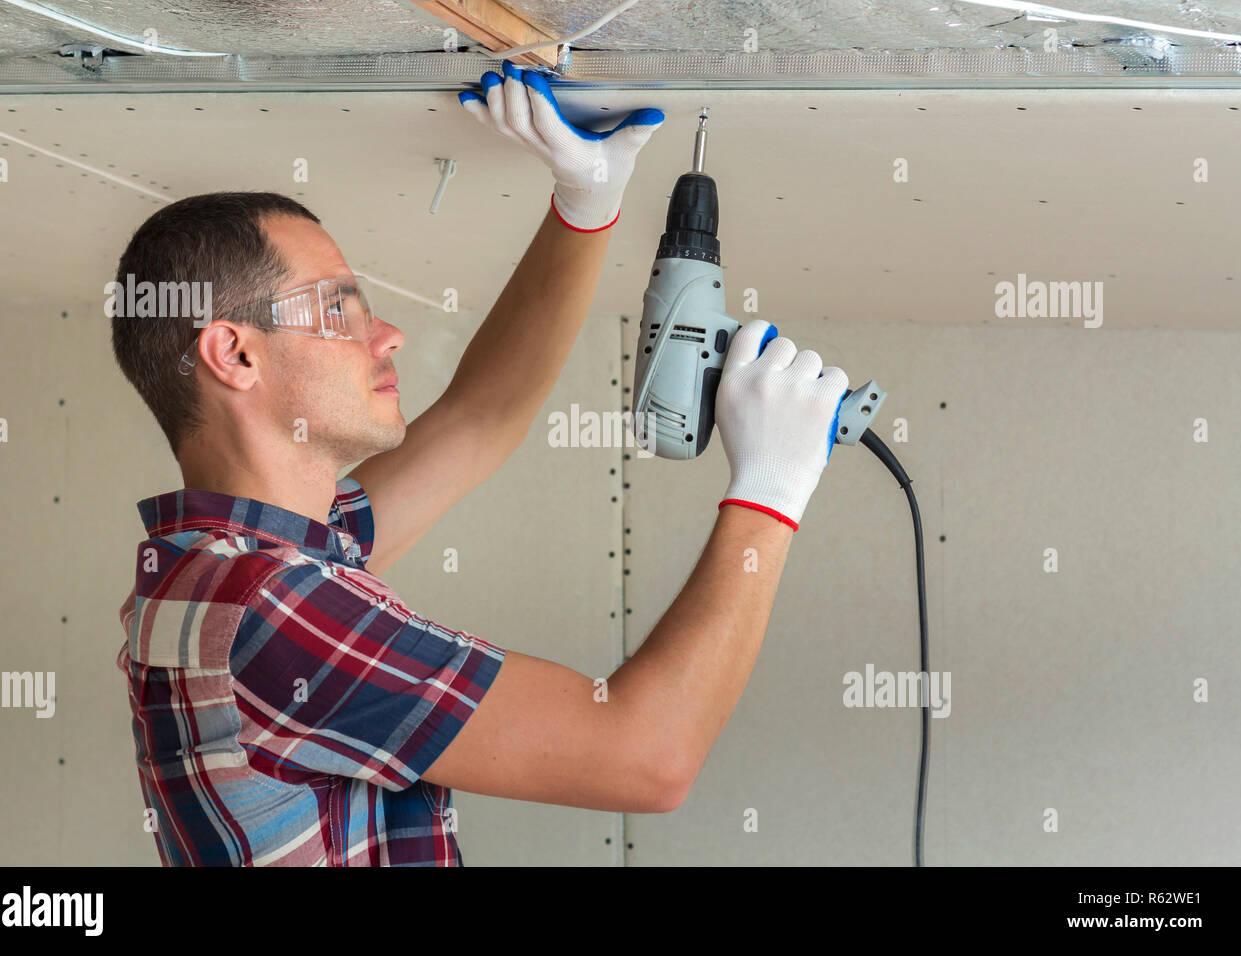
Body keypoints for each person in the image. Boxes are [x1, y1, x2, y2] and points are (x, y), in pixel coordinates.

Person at [111, 60, 846, 866]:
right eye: (336, 307)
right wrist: (770, 492)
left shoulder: (233, 569)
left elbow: (480, 418)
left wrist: (584, 204)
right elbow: (647, 757)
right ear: (234, 356)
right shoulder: (267, 609)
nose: (385, 334)